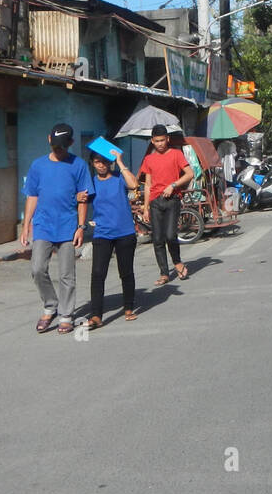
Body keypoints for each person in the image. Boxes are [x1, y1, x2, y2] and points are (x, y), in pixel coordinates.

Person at [22, 122, 94, 335]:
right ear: (49, 140)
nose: (58, 149)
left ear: (71, 143)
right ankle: (50, 304)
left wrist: (81, 227)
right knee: (37, 269)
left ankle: (66, 314)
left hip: (67, 227)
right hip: (43, 225)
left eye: (62, 146)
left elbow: (84, 198)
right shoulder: (37, 166)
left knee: (66, 274)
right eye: (55, 145)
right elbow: (32, 196)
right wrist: (26, 225)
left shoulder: (78, 165)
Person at [86, 148, 140, 327]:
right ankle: (96, 315)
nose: (101, 165)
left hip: (125, 232)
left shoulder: (119, 178)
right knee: (98, 274)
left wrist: (120, 161)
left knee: (126, 272)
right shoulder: (91, 183)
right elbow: (80, 201)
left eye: (104, 161)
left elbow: (134, 185)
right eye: (97, 162)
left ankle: (128, 308)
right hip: (102, 234)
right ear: (93, 164)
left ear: (109, 163)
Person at [138, 124, 194, 288]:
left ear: (167, 139)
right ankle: (164, 273)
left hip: (172, 200)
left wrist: (173, 185)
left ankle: (177, 262)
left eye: (162, 140)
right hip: (155, 202)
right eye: (156, 141)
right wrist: (145, 207)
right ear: (152, 141)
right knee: (157, 239)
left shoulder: (176, 154)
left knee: (170, 235)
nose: (160, 144)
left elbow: (190, 174)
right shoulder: (149, 159)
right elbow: (147, 185)